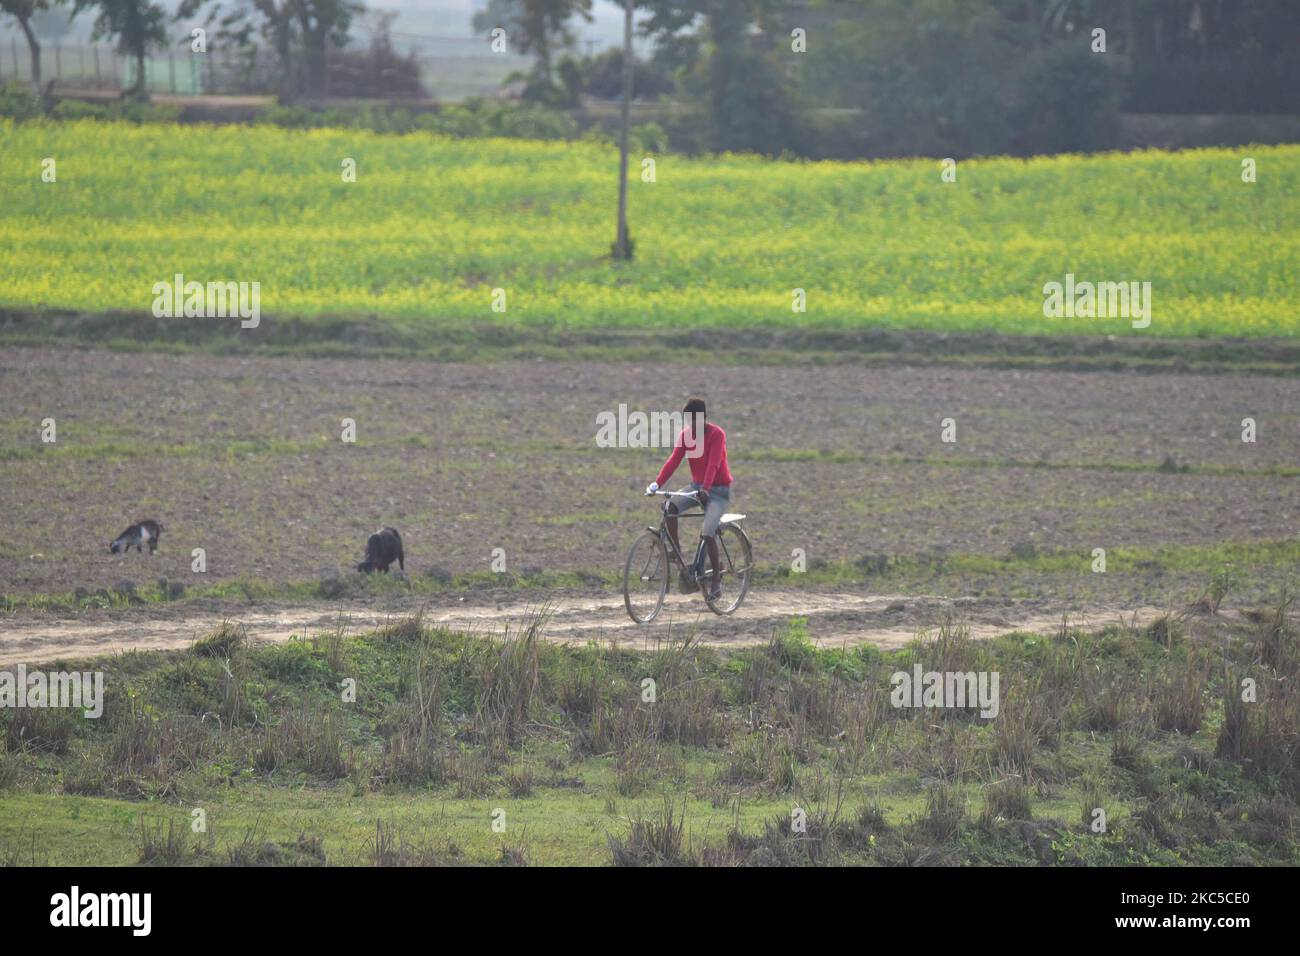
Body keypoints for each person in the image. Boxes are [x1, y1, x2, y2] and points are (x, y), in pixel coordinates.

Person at [644, 397, 732, 600]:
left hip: (718, 490)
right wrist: (657, 484)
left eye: (695, 420)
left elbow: (714, 464)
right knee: (670, 507)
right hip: (696, 488)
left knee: (708, 531)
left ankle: (717, 581)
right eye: (689, 420)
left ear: (704, 418)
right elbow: (673, 460)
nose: (692, 425)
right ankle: (676, 552)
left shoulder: (717, 435)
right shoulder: (686, 436)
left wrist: (707, 488)